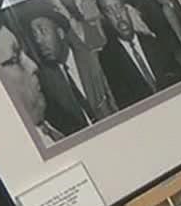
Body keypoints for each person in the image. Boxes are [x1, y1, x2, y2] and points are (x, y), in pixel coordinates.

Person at [92, 0, 181, 109]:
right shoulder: (109, 60)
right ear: (105, 18)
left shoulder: (154, 42)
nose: (118, 16)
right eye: (109, 11)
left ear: (127, 9)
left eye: (119, 7)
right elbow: (125, 103)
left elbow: (179, 79)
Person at [27, 8, 115, 137]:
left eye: (43, 31)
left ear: (60, 33)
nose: (39, 41)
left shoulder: (94, 58)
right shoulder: (48, 84)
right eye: (35, 36)